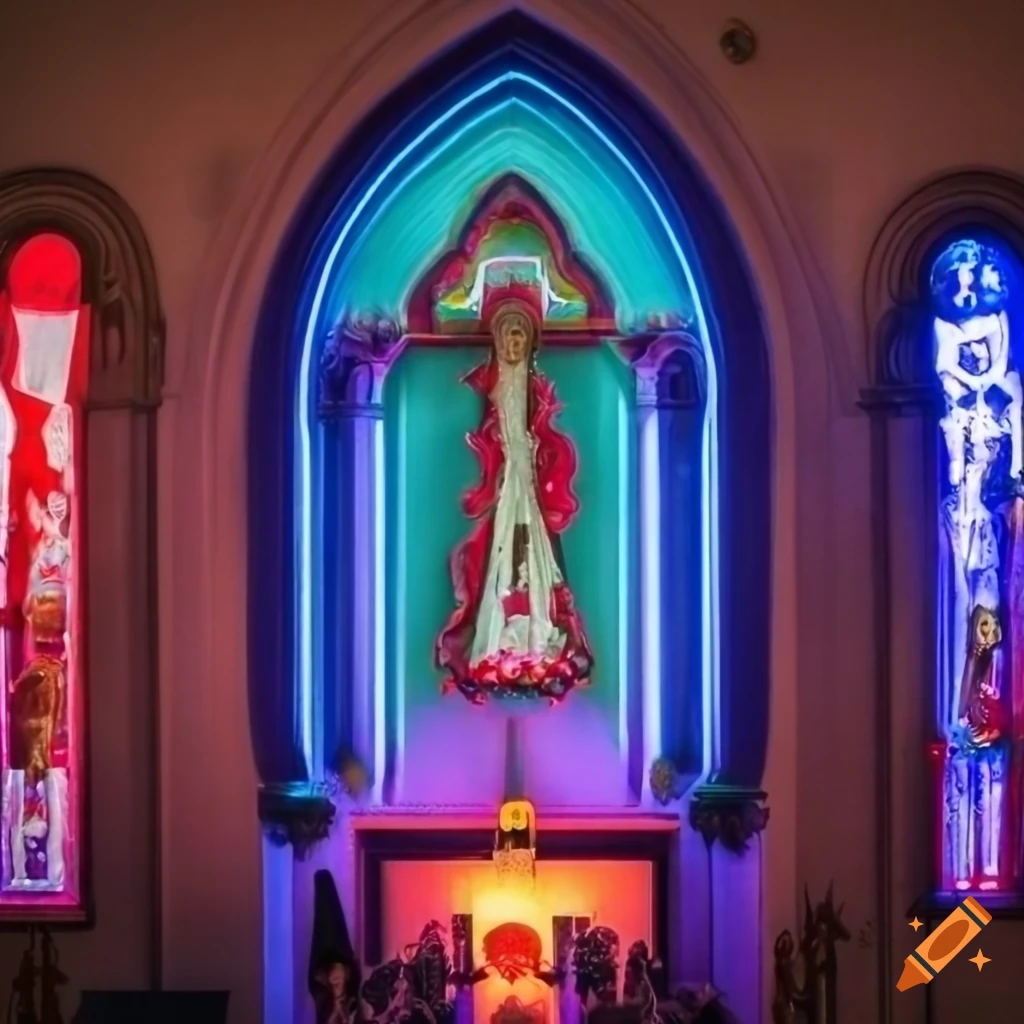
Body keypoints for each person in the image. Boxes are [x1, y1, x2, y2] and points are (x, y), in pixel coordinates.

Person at [435, 300, 592, 704]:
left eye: (521, 334)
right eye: (508, 334)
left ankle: (537, 643)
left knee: (535, 565)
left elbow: (543, 436)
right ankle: (496, 645)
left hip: (530, 490)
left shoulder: (536, 390)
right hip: (504, 491)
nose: (514, 342)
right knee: (498, 564)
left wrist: (535, 461)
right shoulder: (489, 386)